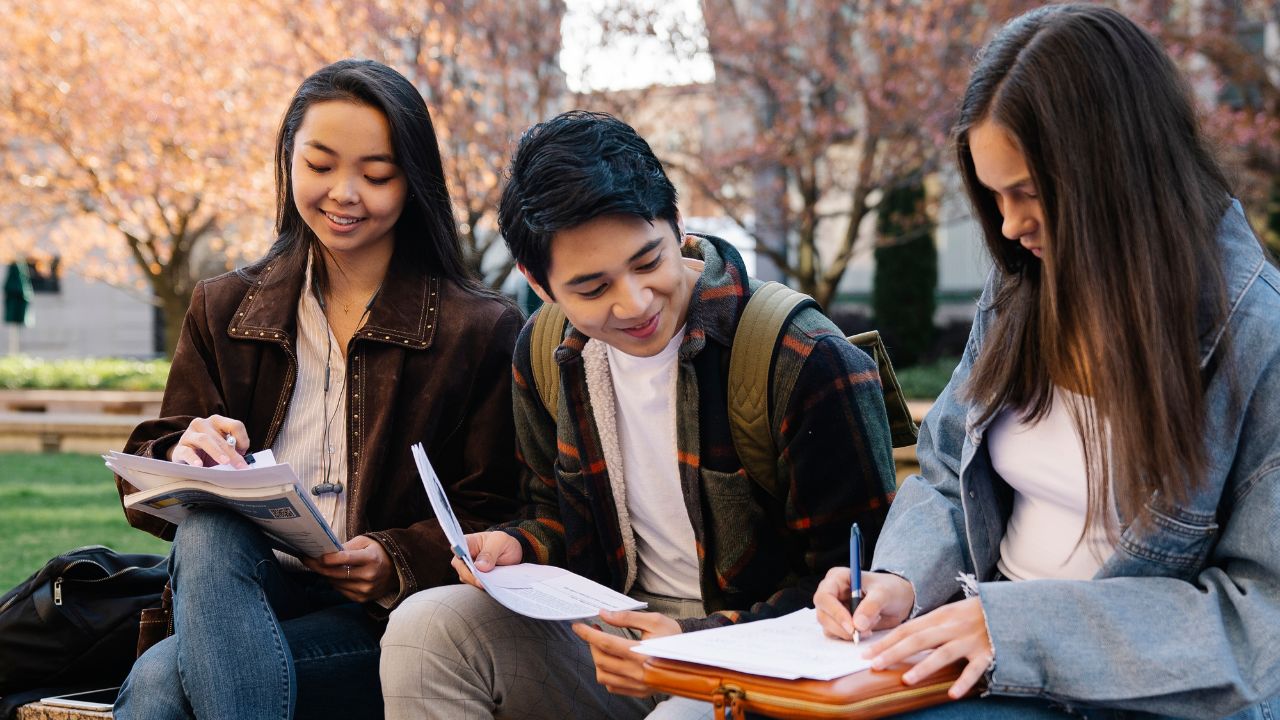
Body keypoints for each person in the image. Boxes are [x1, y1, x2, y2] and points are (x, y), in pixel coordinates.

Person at [811, 5, 1280, 718]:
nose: (1007, 226)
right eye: (993, 196)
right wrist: (900, 579)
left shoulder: (1260, 338)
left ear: (1118, 168)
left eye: (1028, 193)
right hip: (988, 658)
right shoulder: (1023, 284)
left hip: (1139, 696)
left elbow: (1260, 625)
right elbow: (944, 477)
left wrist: (1016, 628)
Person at [378, 110, 897, 719]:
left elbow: (859, 588)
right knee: (427, 628)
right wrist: (517, 545)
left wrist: (695, 641)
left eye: (649, 262)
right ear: (540, 285)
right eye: (593, 289)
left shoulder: (801, 357)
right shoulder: (547, 353)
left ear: (677, 224)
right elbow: (552, 515)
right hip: (616, 642)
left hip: (756, 661)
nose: (634, 303)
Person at [111, 59, 523, 720]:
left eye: (376, 173)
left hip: (385, 622)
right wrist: (185, 455)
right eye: (321, 165)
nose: (344, 193)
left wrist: (396, 559)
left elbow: (501, 507)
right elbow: (147, 486)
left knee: (162, 683)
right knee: (210, 532)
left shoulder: (479, 328)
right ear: (289, 160)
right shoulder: (224, 308)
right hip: (242, 592)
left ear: (413, 180)